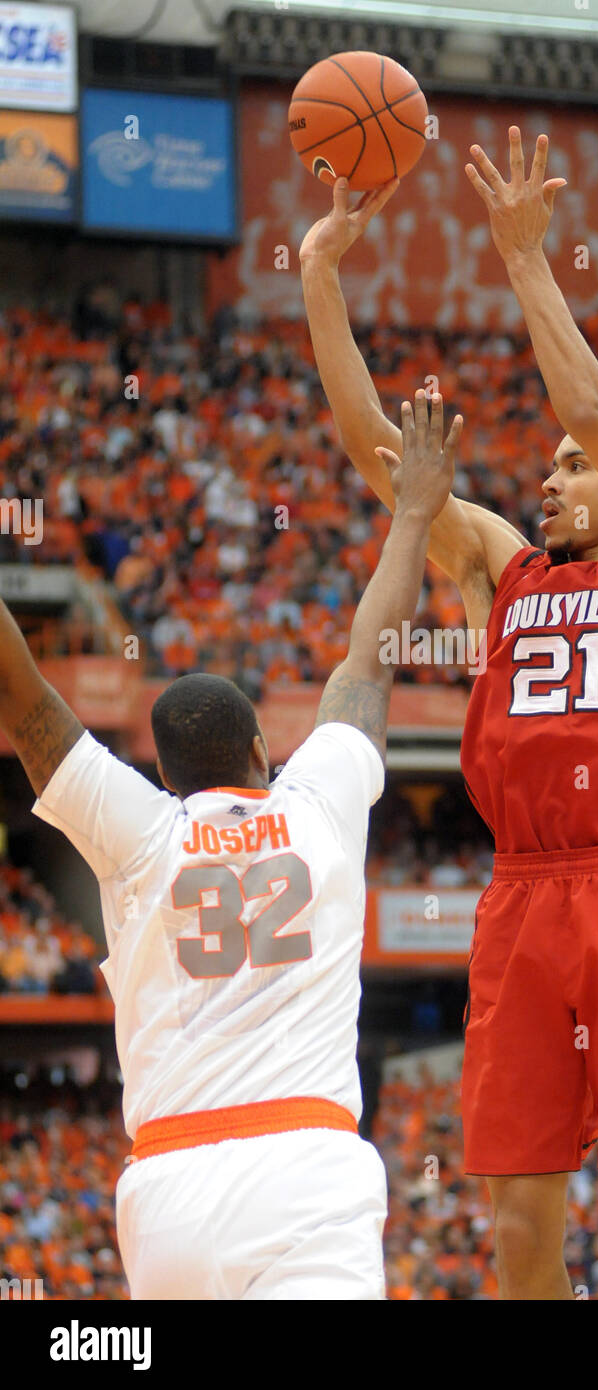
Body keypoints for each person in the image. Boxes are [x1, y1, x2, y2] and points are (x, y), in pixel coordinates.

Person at [300, 128, 598, 1301]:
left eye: (565, 472)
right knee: (519, 1232)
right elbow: (377, 454)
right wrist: (319, 275)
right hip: (520, 892)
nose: (547, 478)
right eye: (539, 469)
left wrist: (524, 261)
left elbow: (588, 411)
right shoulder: (503, 567)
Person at [0, 392, 462, 1300]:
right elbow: (370, 654)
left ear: (166, 777)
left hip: (169, 1185)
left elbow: (22, 698)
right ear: (262, 752)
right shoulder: (322, 798)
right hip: (306, 1166)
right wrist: (413, 510)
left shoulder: (140, 833)